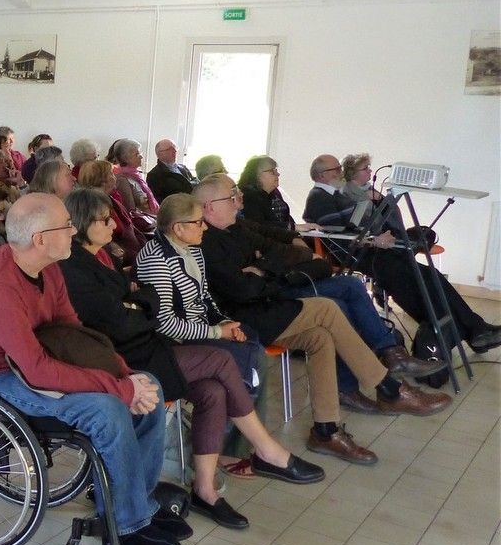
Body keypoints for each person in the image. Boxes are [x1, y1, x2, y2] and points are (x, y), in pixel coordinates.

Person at [58, 188, 324, 528]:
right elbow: (129, 320)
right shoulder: (77, 265)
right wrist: (143, 306)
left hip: (144, 343)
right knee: (222, 361)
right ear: (84, 223)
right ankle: (266, 450)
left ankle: (205, 489)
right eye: (104, 219)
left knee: (214, 389)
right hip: (125, 357)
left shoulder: (103, 255)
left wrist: (145, 306)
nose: (114, 224)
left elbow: (155, 305)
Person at [0, 192, 187, 545]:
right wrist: (119, 389)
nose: (74, 231)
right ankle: (126, 528)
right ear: (40, 239)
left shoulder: (48, 267)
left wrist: (126, 375)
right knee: (108, 410)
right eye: (66, 225)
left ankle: (137, 505)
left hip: (38, 357)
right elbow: (36, 371)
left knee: (150, 384)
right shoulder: (0, 287)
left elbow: (75, 335)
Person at [138, 191, 451, 466]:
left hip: (237, 316)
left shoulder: (195, 247)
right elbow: (177, 319)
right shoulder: (162, 258)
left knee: (320, 336)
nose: (204, 226)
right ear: (179, 227)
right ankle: (389, 387)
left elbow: (210, 297)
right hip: (222, 325)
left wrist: (228, 312)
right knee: (328, 308)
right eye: (198, 222)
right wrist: (220, 329)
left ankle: (326, 430)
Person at [303, 154, 501, 354]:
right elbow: (342, 235)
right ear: (321, 175)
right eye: (335, 169)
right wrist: (374, 239)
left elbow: (356, 225)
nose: (340, 172)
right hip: (359, 254)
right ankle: (467, 331)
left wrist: (377, 230)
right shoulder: (320, 198)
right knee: (411, 278)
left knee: (428, 275)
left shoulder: (335, 193)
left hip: (371, 249)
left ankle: (474, 329)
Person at [76, 160, 146, 267]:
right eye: (112, 174)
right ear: (103, 180)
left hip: (137, 255)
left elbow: (131, 227)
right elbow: (110, 246)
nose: (115, 177)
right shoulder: (92, 206)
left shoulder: (112, 200)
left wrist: (144, 248)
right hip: (123, 260)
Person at [236, 155, 319, 233]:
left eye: (276, 170)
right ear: (257, 175)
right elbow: (259, 225)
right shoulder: (248, 197)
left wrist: (298, 229)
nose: (278, 174)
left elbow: (286, 219)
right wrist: (292, 227)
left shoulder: (275, 194)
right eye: (272, 171)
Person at [108, 138, 160, 215]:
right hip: (142, 219)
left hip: (151, 217)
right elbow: (130, 211)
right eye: (137, 154)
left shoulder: (136, 175)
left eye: (140, 153)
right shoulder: (121, 179)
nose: (141, 157)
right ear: (125, 158)